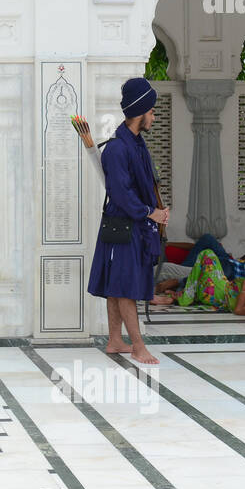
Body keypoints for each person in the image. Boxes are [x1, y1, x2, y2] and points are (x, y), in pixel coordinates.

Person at [87, 77, 167, 365]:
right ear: (140, 111)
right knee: (125, 289)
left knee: (117, 285)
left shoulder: (134, 143)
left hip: (130, 226)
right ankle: (137, 346)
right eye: (152, 111)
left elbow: (144, 184)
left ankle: (114, 340)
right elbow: (120, 194)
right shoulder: (118, 148)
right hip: (124, 225)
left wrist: (157, 210)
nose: (154, 116)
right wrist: (150, 212)